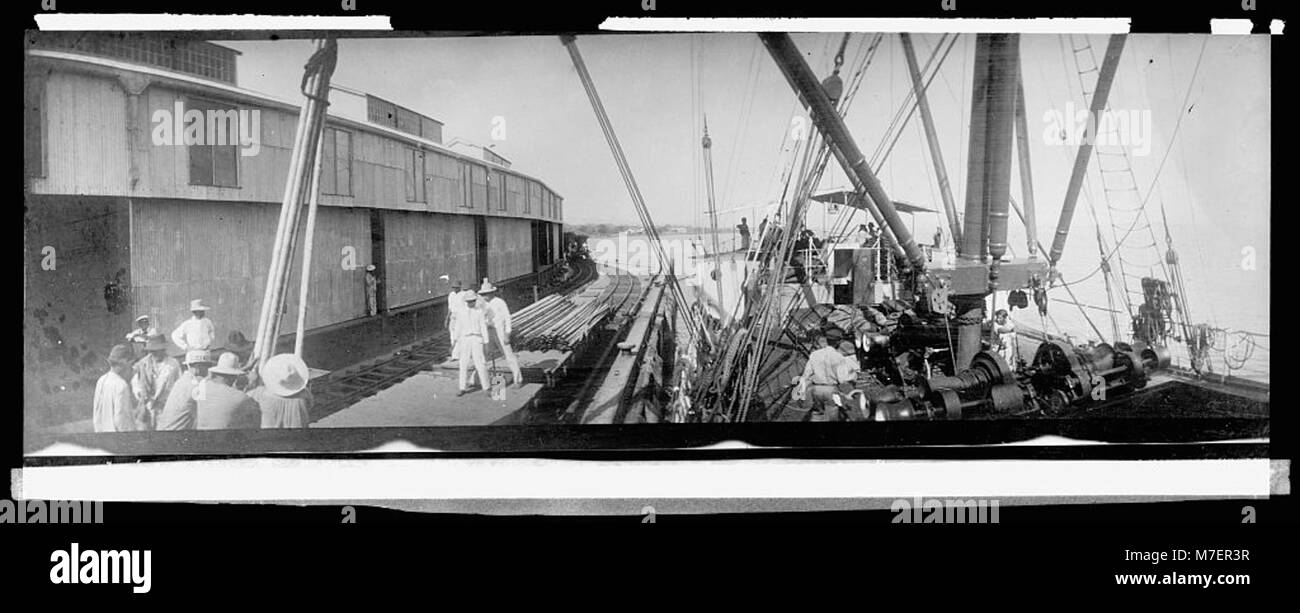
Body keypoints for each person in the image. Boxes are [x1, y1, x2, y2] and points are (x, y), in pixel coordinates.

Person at [194, 352, 261, 430]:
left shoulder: (203, 386)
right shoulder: (241, 398)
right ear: (235, 376)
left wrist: (244, 368)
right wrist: (252, 384)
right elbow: (257, 413)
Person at [249, 353, 314, 429]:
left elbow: (244, 400)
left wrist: (252, 382)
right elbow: (310, 406)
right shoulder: (305, 394)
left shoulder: (260, 393)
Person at [131, 333, 181, 430]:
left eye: (157, 351)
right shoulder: (143, 363)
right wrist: (140, 394)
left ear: (163, 349)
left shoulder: (173, 364)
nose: (154, 354)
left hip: (165, 408)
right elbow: (135, 382)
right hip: (147, 408)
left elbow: (179, 386)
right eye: (152, 351)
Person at [479, 280, 523, 386]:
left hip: (499, 331)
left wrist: (507, 334)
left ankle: (518, 379)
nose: (485, 296)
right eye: (483, 294)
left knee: (508, 355)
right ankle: (480, 380)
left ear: (492, 293)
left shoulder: (500, 302)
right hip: (487, 331)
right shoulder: (482, 304)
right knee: (483, 355)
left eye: (487, 294)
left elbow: (508, 318)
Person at [156, 350, 213, 431]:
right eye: (207, 366)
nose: (208, 370)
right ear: (198, 368)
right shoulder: (197, 386)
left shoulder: (182, 381)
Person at [799, 331, 845, 422]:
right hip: (831, 389)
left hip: (816, 389)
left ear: (827, 340)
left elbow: (805, 375)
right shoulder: (839, 357)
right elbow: (842, 378)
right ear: (838, 342)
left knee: (816, 413)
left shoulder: (814, 354)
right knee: (832, 414)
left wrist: (801, 391)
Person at [93, 344, 141, 432]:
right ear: (125, 363)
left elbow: (96, 414)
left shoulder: (101, 380)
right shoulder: (121, 385)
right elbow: (121, 420)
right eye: (131, 363)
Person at [456, 290, 491, 396]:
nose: (472, 303)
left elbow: (483, 327)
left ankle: (486, 387)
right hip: (465, 339)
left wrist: (486, 342)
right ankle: (462, 388)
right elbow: (458, 327)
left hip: (477, 339)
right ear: (466, 301)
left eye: (473, 301)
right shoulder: (461, 311)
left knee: (480, 363)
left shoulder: (479, 311)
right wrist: (455, 342)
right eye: (469, 301)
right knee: (463, 364)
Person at [445, 278, 466, 361]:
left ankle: (461, 355)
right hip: (453, 317)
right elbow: (450, 308)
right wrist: (447, 318)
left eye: (457, 287)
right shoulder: (451, 295)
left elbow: (466, 307)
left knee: (460, 336)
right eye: (454, 287)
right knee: (453, 336)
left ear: (460, 287)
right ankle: (455, 355)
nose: (455, 289)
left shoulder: (464, 294)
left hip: (461, 317)